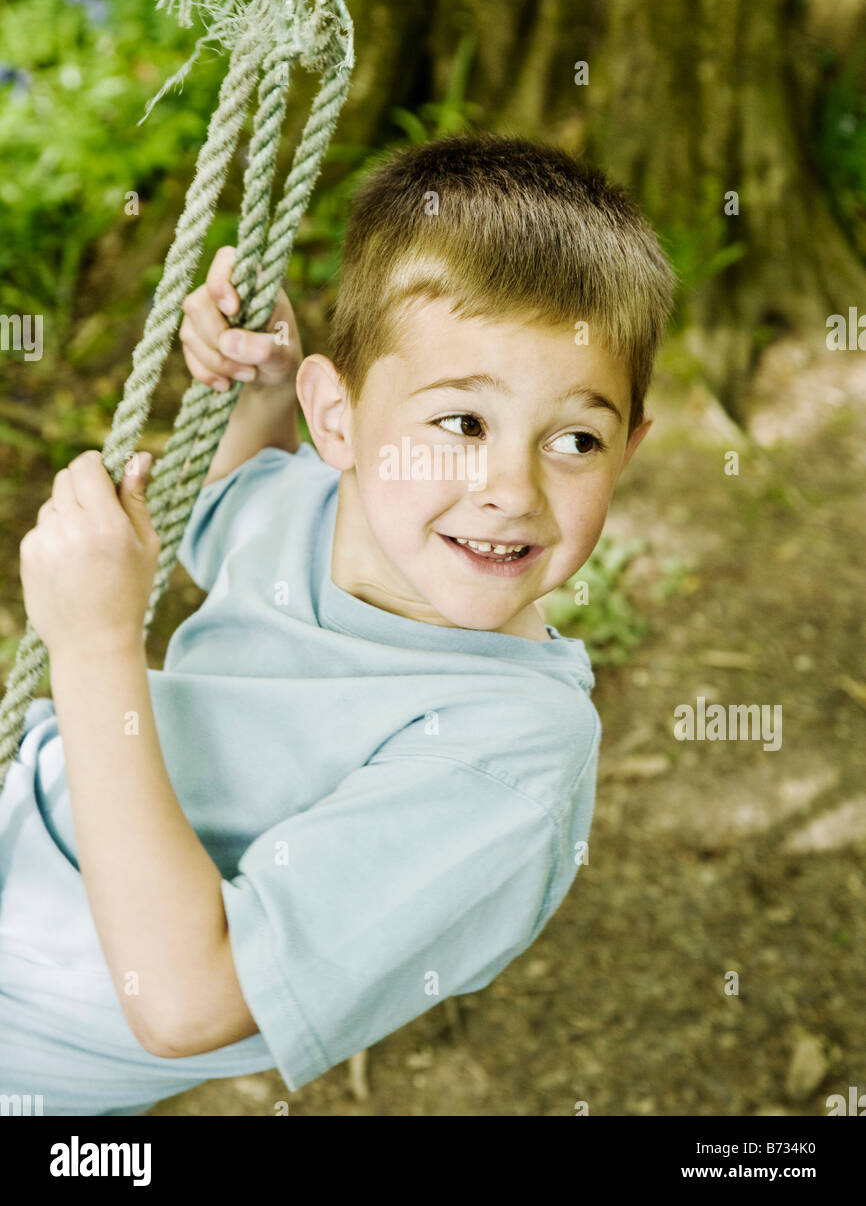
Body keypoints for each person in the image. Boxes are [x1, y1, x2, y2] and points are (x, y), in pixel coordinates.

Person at [0, 133, 676, 1115]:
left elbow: (186, 1003)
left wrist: (96, 646)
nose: (509, 492)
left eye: (575, 438)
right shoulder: (324, 506)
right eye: (461, 422)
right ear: (339, 420)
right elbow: (232, 502)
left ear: (628, 450)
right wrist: (261, 393)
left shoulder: (507, 753)